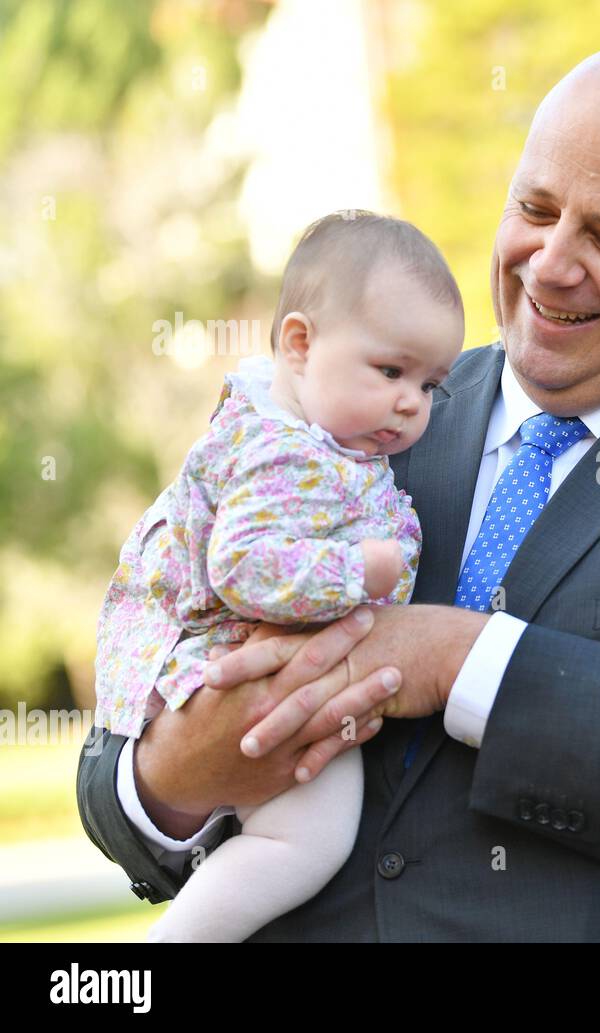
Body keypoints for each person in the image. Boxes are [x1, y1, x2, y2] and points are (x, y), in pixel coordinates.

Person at [78, 37, 600, 943]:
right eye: (535, 208)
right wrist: (176, 772)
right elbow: (125, 731)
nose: (551, 264)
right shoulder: (348, 413)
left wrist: (461, 659)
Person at [87, 211, 464, 940]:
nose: (411, 402)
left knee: (306, 836)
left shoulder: (329, 437)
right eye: (391, 371)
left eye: (431, 384)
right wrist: (357, 569)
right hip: (225, 668)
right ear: (300, 343)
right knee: (306, 838)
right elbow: (241, 565)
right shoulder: (283, 450)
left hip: (266, 679)